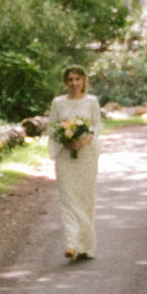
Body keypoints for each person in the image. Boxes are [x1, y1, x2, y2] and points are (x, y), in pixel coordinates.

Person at [48, 63, 101, 261]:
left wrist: (84, 140)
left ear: (84, 81)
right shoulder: (58, 103)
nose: (74, 83)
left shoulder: (91, 101)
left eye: (77, 79)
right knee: (67, 198)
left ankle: (85, 246)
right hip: (65, 155)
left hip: (86, 155)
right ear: (65, 82)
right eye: (70, 79)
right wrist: (65, 140)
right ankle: (71, 243)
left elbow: (96, 125)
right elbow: (52, 127)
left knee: (86, 198)